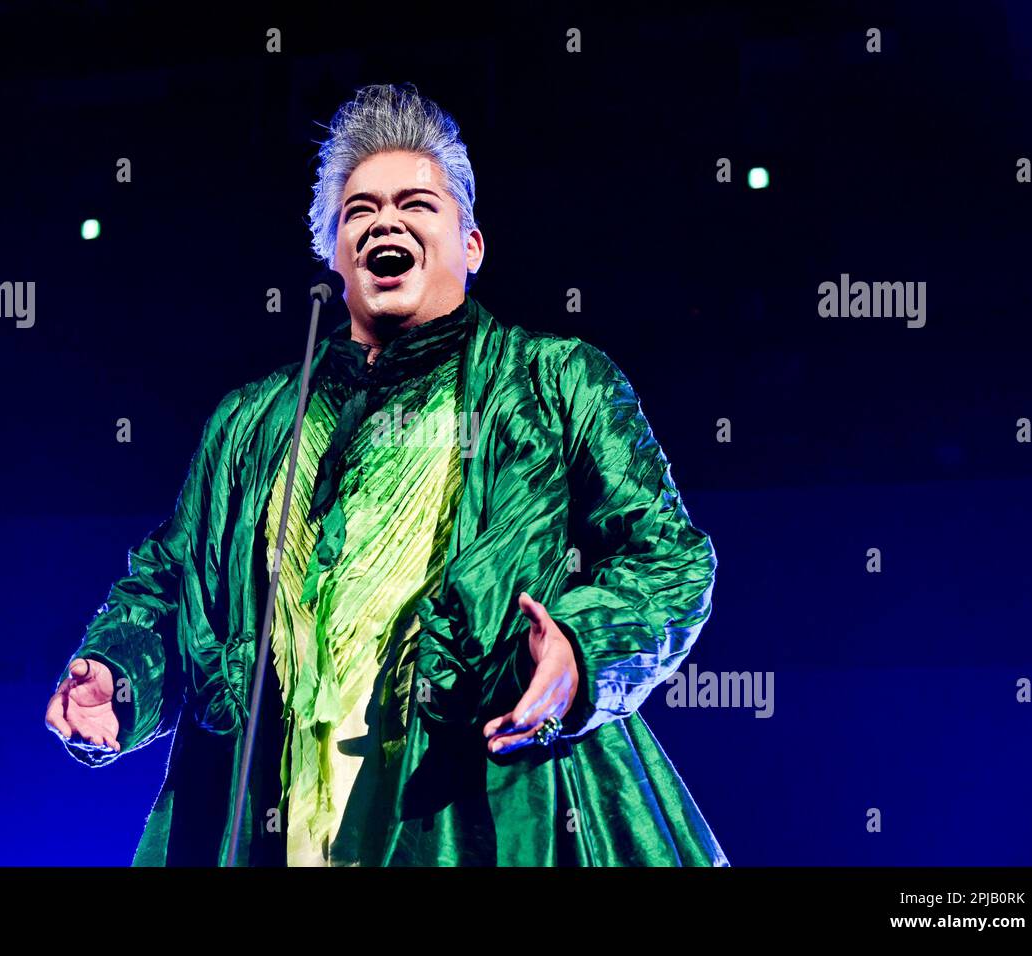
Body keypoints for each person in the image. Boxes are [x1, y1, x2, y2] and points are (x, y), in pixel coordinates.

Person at [44, 82, 728, 867]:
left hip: (490, 822)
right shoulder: (249, 426)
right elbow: (173, 587)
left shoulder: (556, 383)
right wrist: (120, 673)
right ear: (335, 252)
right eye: (359, 211)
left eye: (417, 203)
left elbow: (668, 557)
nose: (386, 221)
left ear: (470, 244)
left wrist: (582, 649)